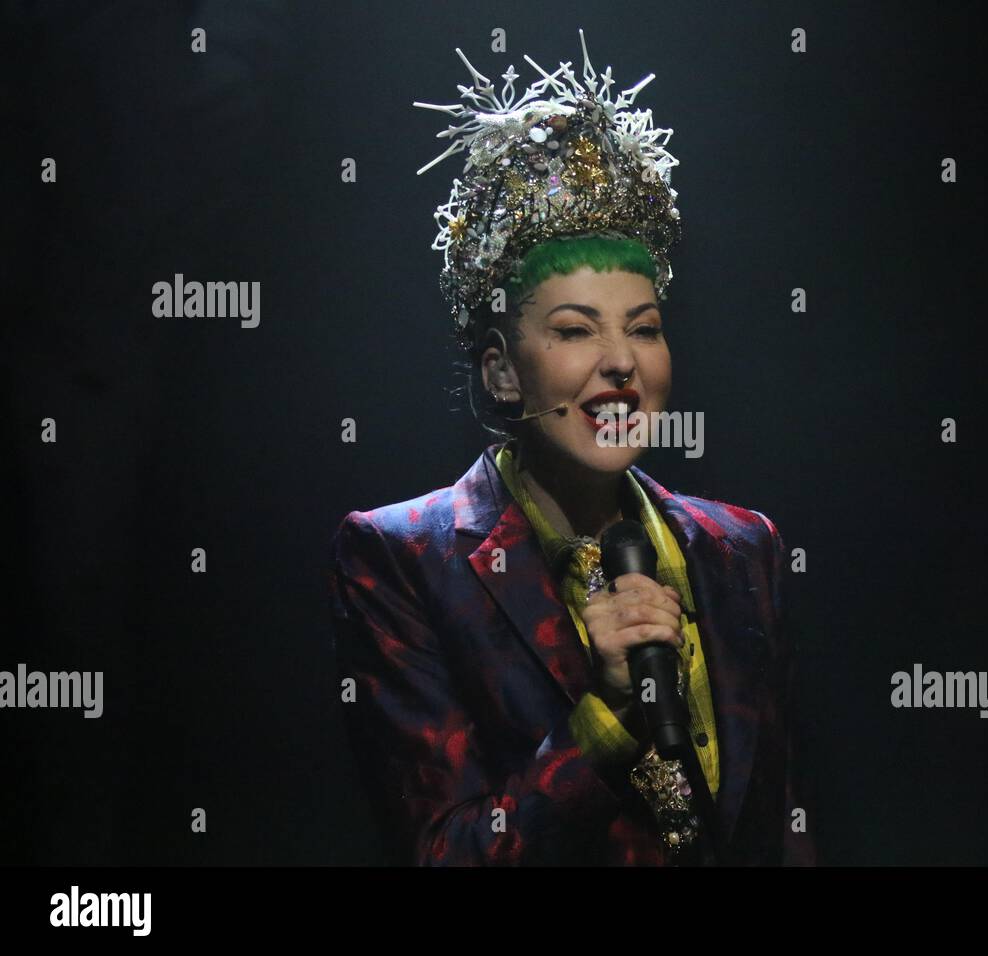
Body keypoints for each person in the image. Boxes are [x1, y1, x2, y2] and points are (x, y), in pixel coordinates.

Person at [326, 31, 814, 866]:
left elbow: (784, 825)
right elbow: (444, 853)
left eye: (644, 328)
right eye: (576, 330)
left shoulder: (742, 549)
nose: (621, 362)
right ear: (502, 371)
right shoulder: (404, 559)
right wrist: (604, 723)